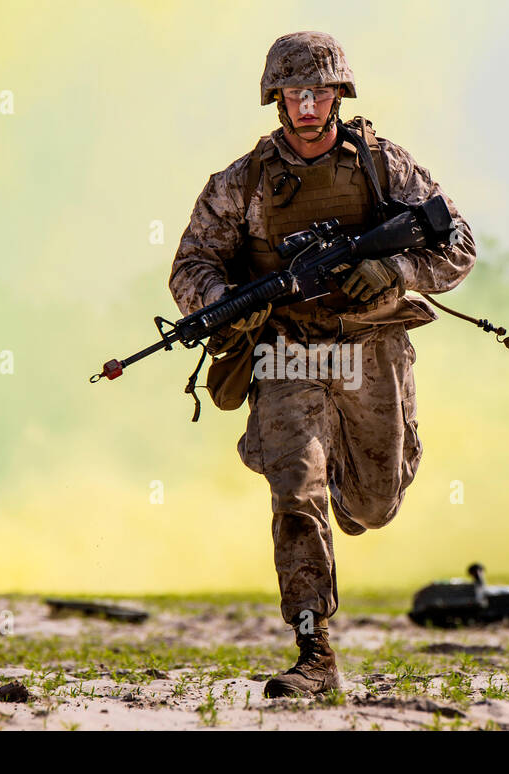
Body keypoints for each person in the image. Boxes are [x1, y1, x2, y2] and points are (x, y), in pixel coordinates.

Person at [169, 31, 476, 697]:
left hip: (372, 349)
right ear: (275, 99)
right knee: (296, 491)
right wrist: (226, 304)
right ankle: (313, 649)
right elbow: (190, 265)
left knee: (374, 502)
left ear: (339, 94)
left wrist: (395, 267)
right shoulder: (242, 183)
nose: (306, 105)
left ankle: (374, 465)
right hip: (288, 351)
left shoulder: (382, 165)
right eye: (293, 93)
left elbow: (458, 244)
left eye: (319, 91)